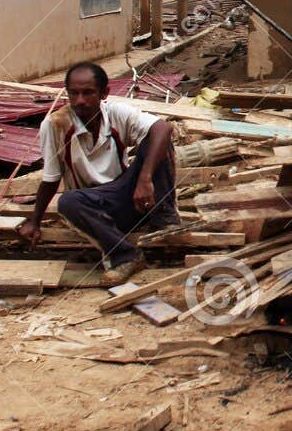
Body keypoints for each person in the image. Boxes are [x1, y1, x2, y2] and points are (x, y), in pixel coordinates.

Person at [17, 62, 178, 284]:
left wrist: (144, 179)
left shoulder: (115, 113)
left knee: (157, 140)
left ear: (104, 93)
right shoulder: (55, 125)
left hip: (132, 197)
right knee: (68, 202)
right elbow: (51, 179)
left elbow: (163, 128)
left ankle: (165, 218)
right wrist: (35, 221)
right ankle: (126, 256)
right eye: (74, 93)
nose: (80, 100)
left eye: (88, 93)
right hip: (95, 208)